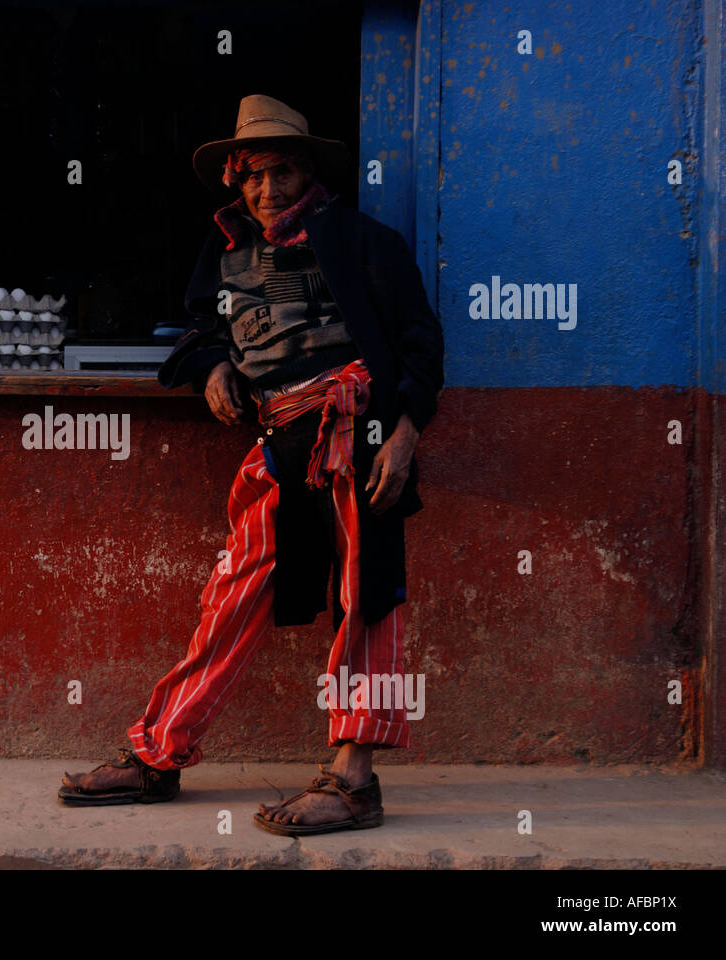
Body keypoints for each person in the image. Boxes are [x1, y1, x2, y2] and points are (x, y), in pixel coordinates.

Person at [57, 95, 445, 835]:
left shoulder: (368, 243)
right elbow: (202, 326)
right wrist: (210, 367)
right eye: (252, 176)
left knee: (366, 597)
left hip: (355, 430)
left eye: (282, 173)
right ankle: (158, 753)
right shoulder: (228, 250)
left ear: (308, 174)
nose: (267, 190)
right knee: (234, 593)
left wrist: (404, 434)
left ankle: (354, 779)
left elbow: (421, 344)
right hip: (281, 439)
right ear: (235, 180)